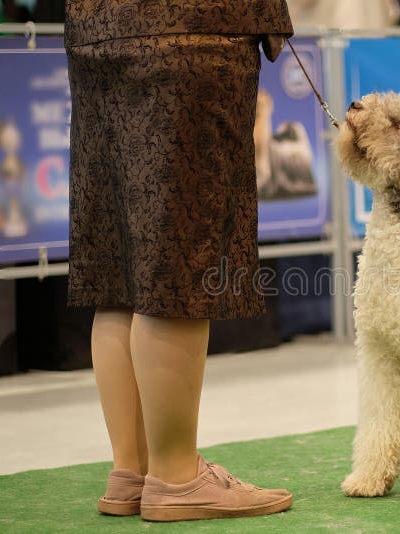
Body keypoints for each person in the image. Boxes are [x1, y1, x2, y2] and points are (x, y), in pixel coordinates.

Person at [64, 0, 294, 522]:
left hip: (98, 31)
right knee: (179, 258)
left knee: (117, 263)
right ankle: (176, 477)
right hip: (193, 30)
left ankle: (133, 470)